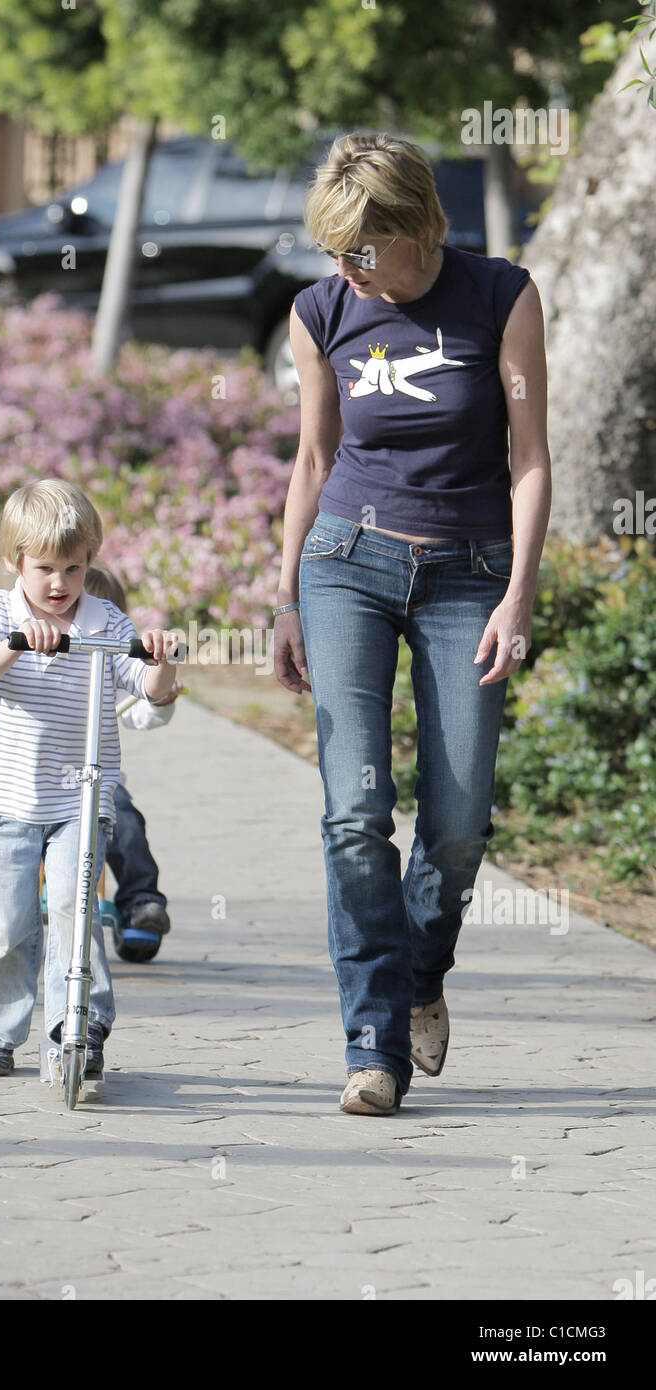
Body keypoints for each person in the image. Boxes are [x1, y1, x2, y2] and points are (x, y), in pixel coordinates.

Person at [273, 132, 551, 1116]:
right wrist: (282, 599)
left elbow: (527, 455)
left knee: (457, 818)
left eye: (359, 250)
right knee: (353, 813)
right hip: (345, 563)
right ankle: (372, 1042)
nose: (342, 270)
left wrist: (517, 594)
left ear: (413, 231)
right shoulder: (322, 312)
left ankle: (422, 969)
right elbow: (312, 458)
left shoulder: (497, 295)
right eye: (332, 252)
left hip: (468, 574)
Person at [0, 478, 179, 1081]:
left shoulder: (104, 618)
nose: (59, 583)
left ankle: (82, 1024)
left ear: (90, 562)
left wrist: (162, 661)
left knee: (76, 910)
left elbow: (148, 692)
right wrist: (18, 645)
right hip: (3, 797)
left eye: (73, 568)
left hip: (80, 798)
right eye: (44, 568)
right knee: (11, 922)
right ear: (15, 562)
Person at [82, 562, 182, 956]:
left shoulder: (115, 671)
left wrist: (161, 696)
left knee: (125, 819)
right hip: (39, 784)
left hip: (99, 782)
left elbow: (144, 710)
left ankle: (142, 901)